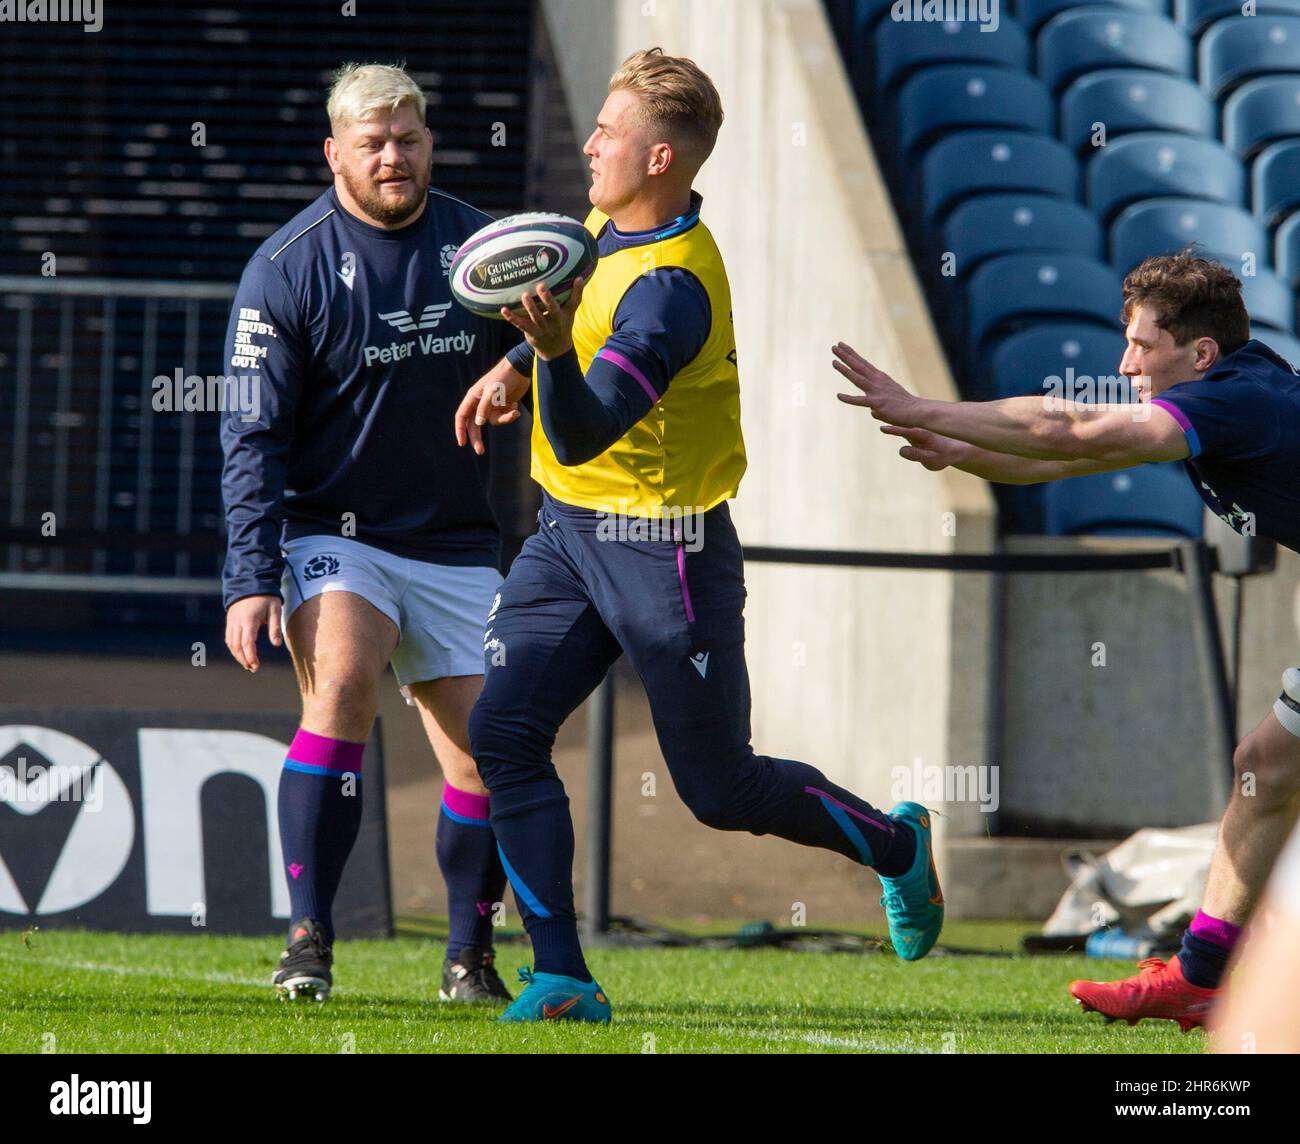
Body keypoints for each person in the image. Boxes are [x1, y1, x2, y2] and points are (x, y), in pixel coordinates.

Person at [455, 48, 943, 1025]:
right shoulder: (609, 221)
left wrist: (546, 357)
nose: (589, 142)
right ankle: (562, 975)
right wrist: (519, 358)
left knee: (720, 790)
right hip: (566, 536)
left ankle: (895, 846)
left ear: (662, 158)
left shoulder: (671, 292)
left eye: (609, 130)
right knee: (502, 730)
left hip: (666, 553)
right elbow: (575, 296)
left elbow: (588, 421)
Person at [833, 249, 1300, 1032]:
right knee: (1265, 769)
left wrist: (928, 408)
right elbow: (1066, 455)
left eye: (1141, 346)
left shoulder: (1235, 400)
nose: (1124, 363)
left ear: (1201, 353)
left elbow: (1072, 426)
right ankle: (1201, 976)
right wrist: (967, 452)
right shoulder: (1230, 388)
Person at [221, 62, 519, 1003]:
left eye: (410, 138)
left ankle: (468, 956)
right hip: (333, 533)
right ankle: (309, 942)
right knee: (344, 683)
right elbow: (251, 433)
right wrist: (248, 575)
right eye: (374, 143)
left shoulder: (483, 247)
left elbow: (566, 327)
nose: (394, 157)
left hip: (456, 540)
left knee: (487, 750)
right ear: (334, 154)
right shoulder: (286, 266)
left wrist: (520, 362)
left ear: (430, 143)